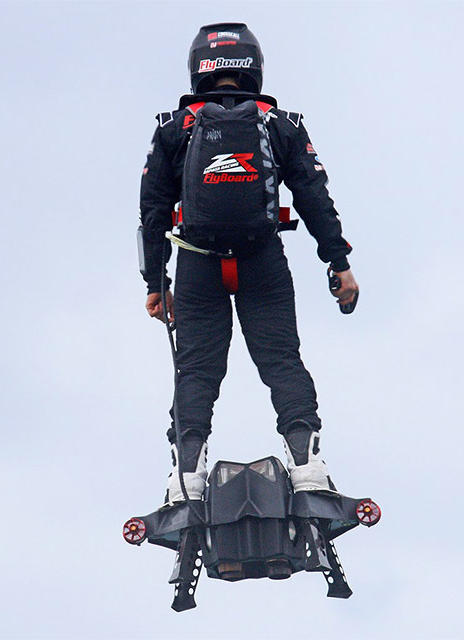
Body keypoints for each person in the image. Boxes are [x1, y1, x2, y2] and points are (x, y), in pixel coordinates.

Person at [138, 23, 359, 504]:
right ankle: (307, 468)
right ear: (253, 66)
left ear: (199, 68)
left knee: (196, 372)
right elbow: (314, 198)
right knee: (282, 362)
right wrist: (338, 261)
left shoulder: (172, 129)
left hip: (197, 266)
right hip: (262, 262)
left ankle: (186, 479)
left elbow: (152, 212)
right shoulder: (282, 123)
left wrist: (156, 282)